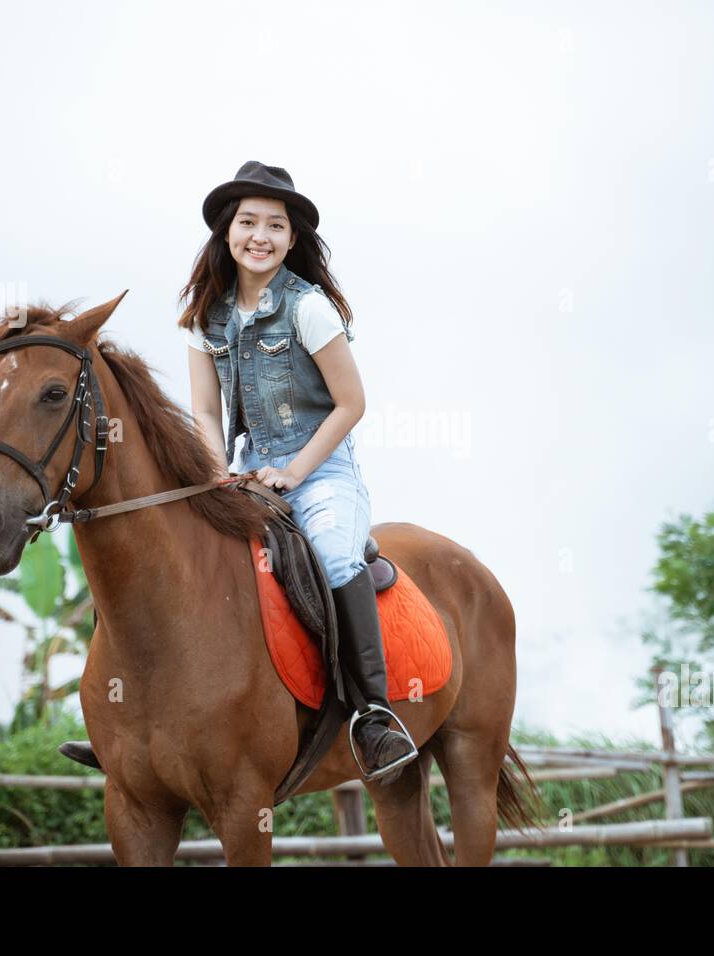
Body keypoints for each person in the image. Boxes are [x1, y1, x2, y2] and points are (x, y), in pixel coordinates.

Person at [178, 160, 418, 785]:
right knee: (172, 549)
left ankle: (373, 715)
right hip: (244, 472)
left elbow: (351, 404)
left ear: (291, 239)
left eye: (275, 226)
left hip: (322, 470)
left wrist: (295, 470)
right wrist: (215, 473)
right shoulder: (205, 318)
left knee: (337, 556)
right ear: (226, 232)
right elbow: (204, 410)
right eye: (248, 222)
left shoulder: (308, 308)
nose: (260, 236)